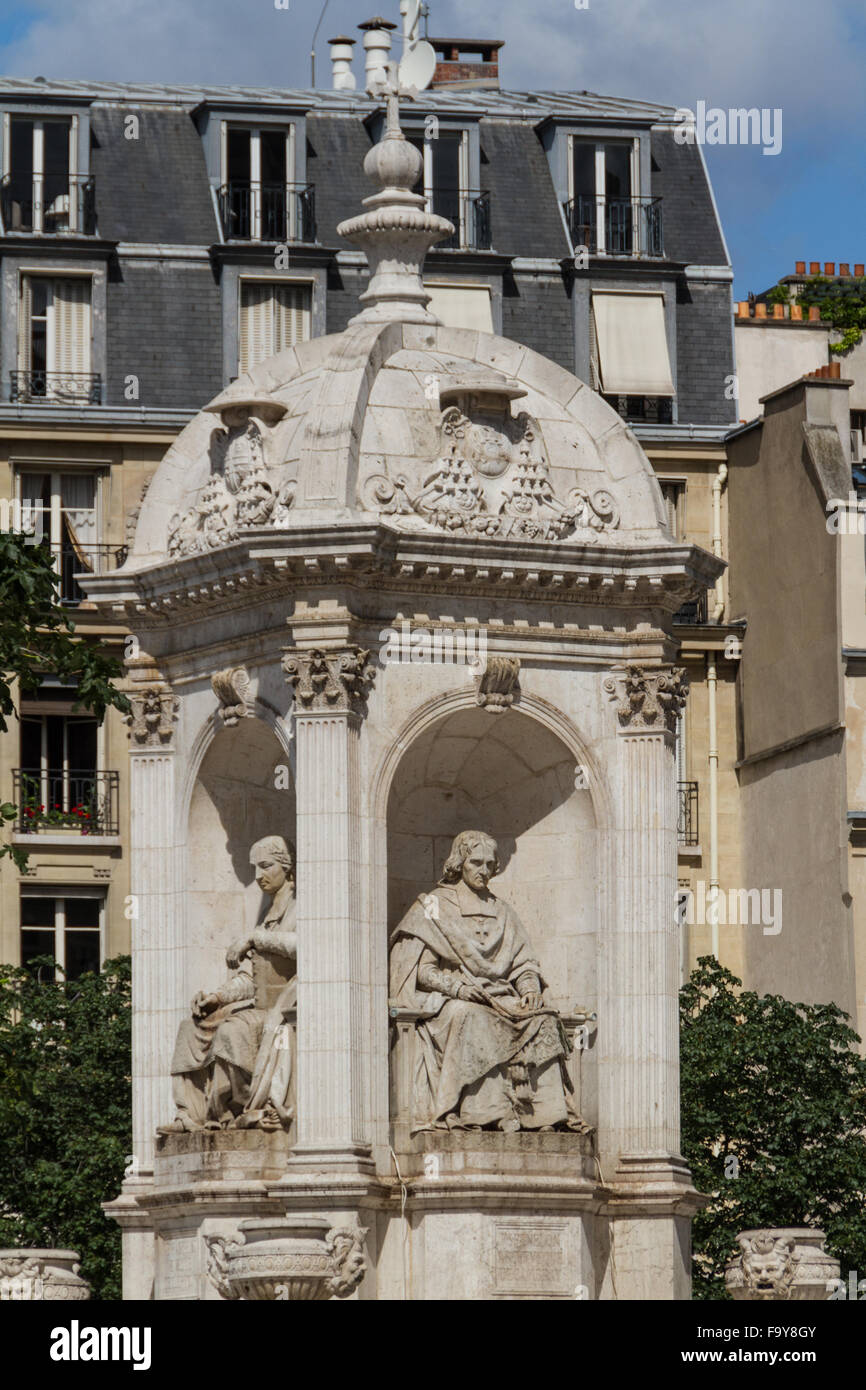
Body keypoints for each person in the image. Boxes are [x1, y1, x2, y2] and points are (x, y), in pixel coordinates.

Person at [389, 829, 580, 1132]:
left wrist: (529, 988)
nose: (483, 871)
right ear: (460, 862)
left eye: (489, 864)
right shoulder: (435, 906)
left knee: (543, 1019)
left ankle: (544, 1116)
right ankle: (484, 1114)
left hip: (501, 996)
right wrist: (459, 988)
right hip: (453, 1001)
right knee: (473, 1017)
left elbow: (523, 962)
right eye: (476, 863)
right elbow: (420, 971)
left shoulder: (501, 911)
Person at [159, 835, 297, 1134]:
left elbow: (305, 947)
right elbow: (251, 978)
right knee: (190, 1027)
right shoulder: (267, 914)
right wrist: (217, 998)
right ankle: (191, 1114)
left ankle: (236, 1113)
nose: (258, 876)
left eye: (265, 866)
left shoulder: (300, 908)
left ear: (286, 866)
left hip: (285, 1008)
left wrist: (254, 938)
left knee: (231, 1032)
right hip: (259, 1004)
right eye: (255, 868)